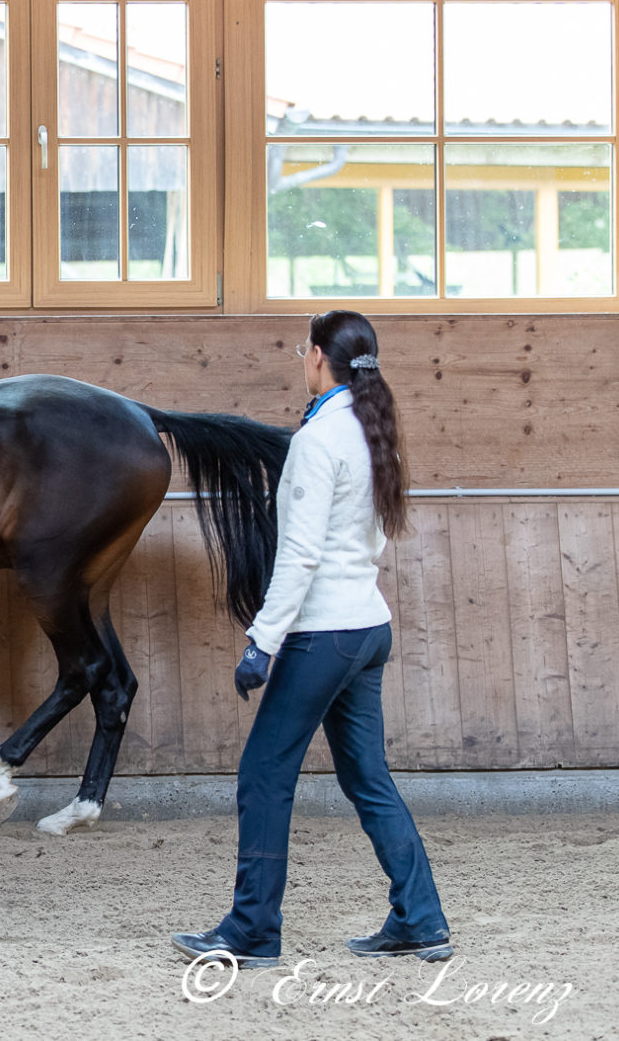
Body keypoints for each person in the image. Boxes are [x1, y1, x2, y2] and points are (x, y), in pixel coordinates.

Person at [170, 310, 452, 969]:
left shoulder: (319, 440)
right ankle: (422, 918)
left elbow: (297, 556)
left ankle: (252, 930)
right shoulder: (373, 431)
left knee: (263, 774)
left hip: (323, 631)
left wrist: (261, 641)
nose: (304, 357)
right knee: (368, 778)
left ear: (320, 357)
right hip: (367, 626)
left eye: (307, 349)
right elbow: (377, 538)